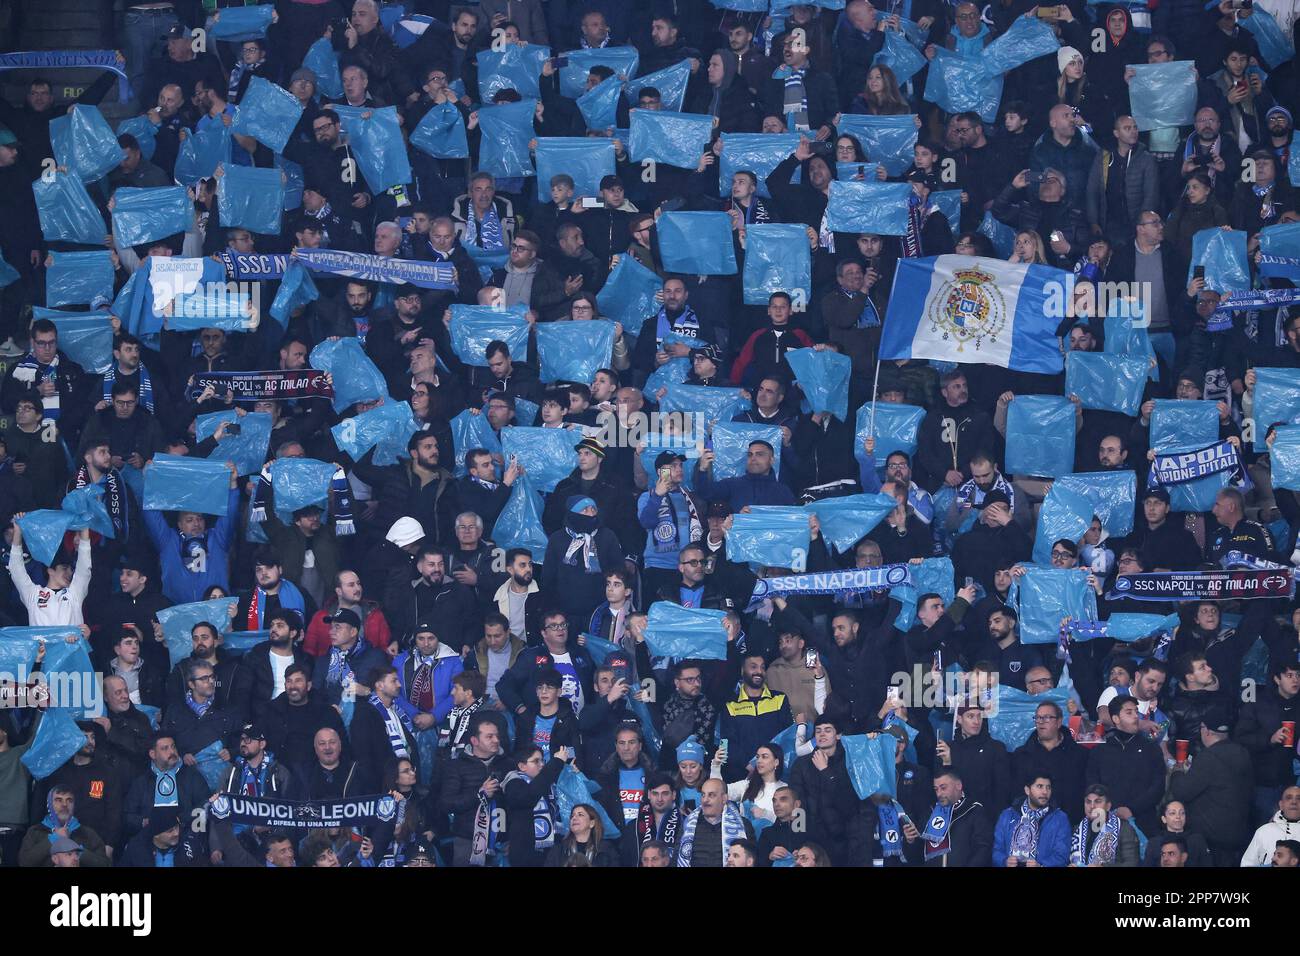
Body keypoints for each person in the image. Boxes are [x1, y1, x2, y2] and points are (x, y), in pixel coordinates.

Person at [992, 774, 1072, 868]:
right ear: (1027, 790)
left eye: (1048, 787)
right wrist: (1004, 861)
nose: (1045, 792)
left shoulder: (1060, 819)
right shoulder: (1007, 815)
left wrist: (1041, 865)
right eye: (1040, 786)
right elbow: (996, 850)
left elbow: (1062, 855)